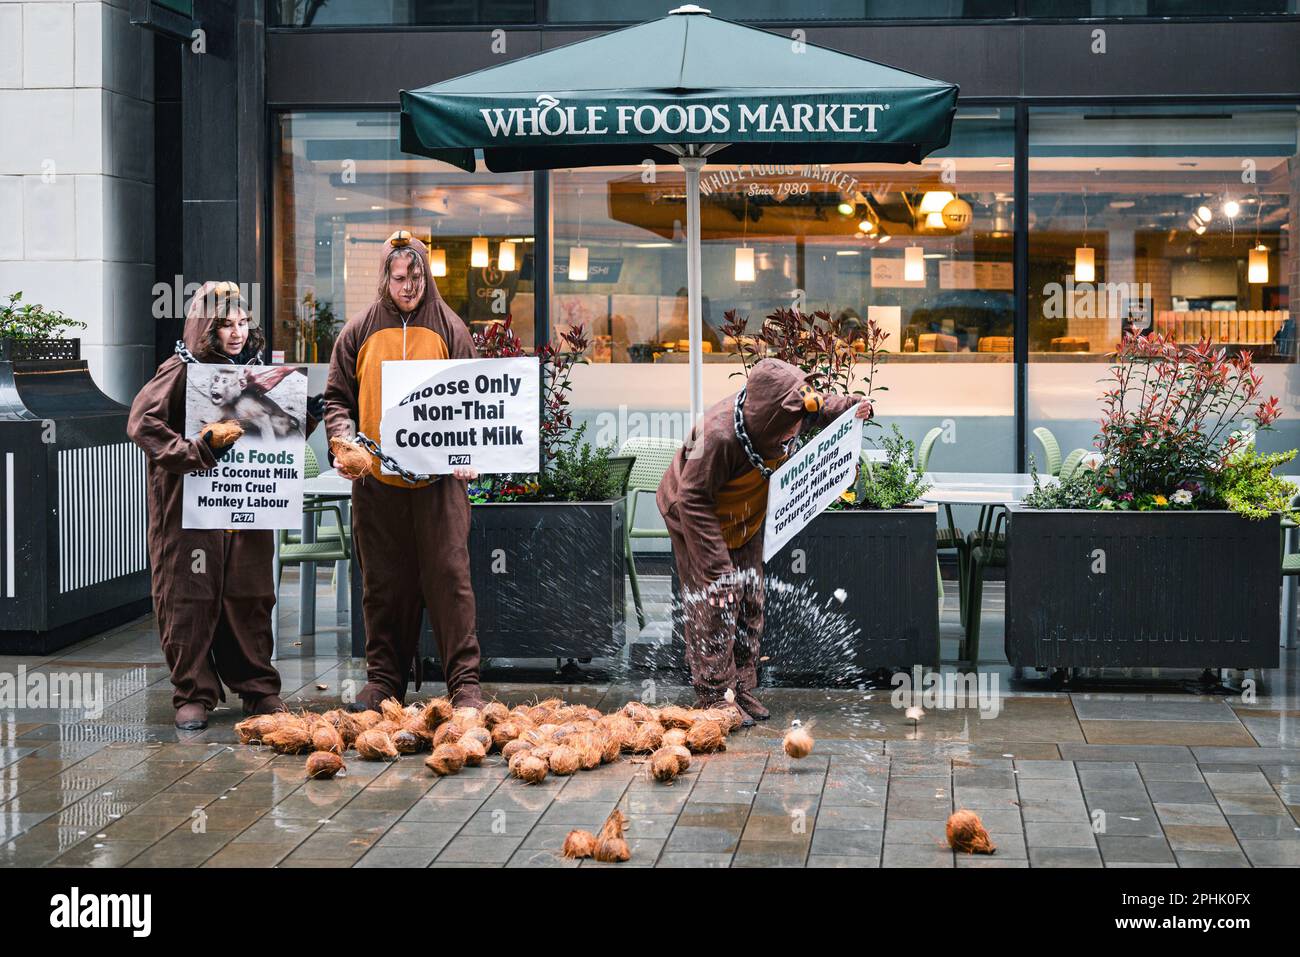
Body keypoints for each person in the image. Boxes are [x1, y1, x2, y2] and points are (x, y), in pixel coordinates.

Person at [128, 282, 320, 730]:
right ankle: (192, 693)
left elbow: (274, 440)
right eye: (225, 325)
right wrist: (196, 450)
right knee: (187, 598)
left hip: (246, 508)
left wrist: (306, 414)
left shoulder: (255, 375)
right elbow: (142, 422)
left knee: (250, 594)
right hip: (189, 510)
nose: (236, 333)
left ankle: (258, 688)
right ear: (206, 328)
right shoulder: (179, 369)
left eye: (241, 323)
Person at [656, 358, 872, 724]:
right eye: (788, 430)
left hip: (745, 512)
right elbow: (692, 500)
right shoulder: (715, 434)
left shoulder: (790, 411)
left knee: (750, 597)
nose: (794, 434)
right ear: (767, 418)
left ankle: (741, 687)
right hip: (694, 515)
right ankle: (714, 697)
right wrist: (717, 570)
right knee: (717, 603)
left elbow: (817, 405)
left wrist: (852, 406)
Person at [325, 230, 484, 711]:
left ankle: (465, 685)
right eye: (400, 277)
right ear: (385, 277)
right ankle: (383, 681)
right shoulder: (358, 331)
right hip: (377, 483)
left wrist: (470, 452)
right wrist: (343, 438)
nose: (409, 285)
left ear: (426, 275)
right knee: (381, 582)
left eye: (416, 276)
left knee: (450, 578)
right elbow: (336, 399)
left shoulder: (450, 328)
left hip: (438, 484)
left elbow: (472, 396)